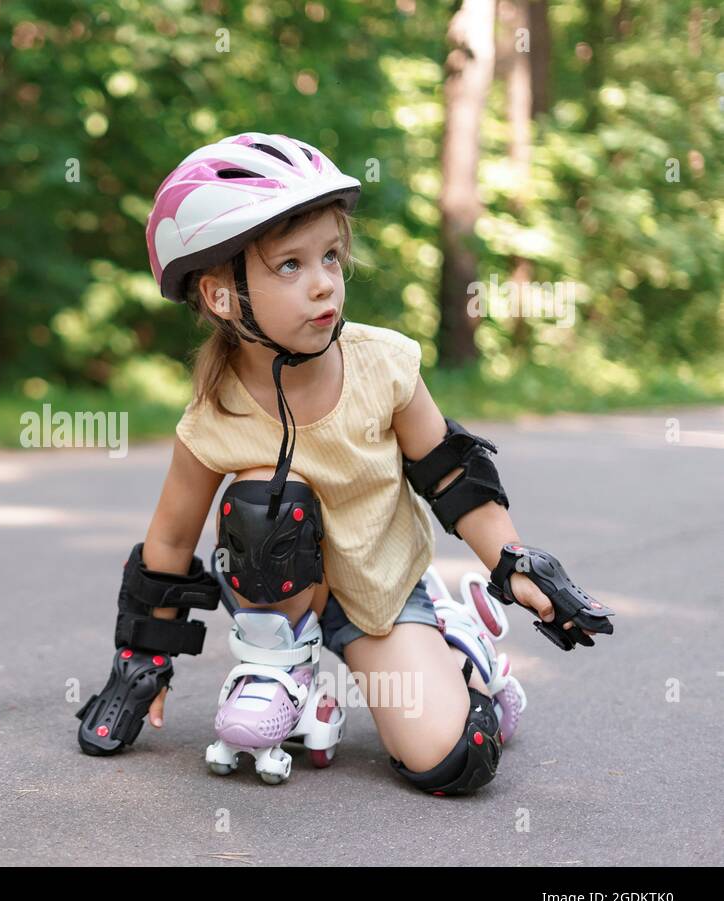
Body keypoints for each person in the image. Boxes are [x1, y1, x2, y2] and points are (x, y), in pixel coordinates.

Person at [75, 132, 614, 795]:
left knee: (453, 763)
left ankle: (462, 645)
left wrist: (515, 564)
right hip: (278, 605)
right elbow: (171, 540)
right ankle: (278, 665)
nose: (325, 281)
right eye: (290, 266)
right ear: (219, 295)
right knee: (263, 494)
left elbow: (451, 474)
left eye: (330, 255)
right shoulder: (215, 416)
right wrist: (141, 664)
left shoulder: (383, 364)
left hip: (381, 594)